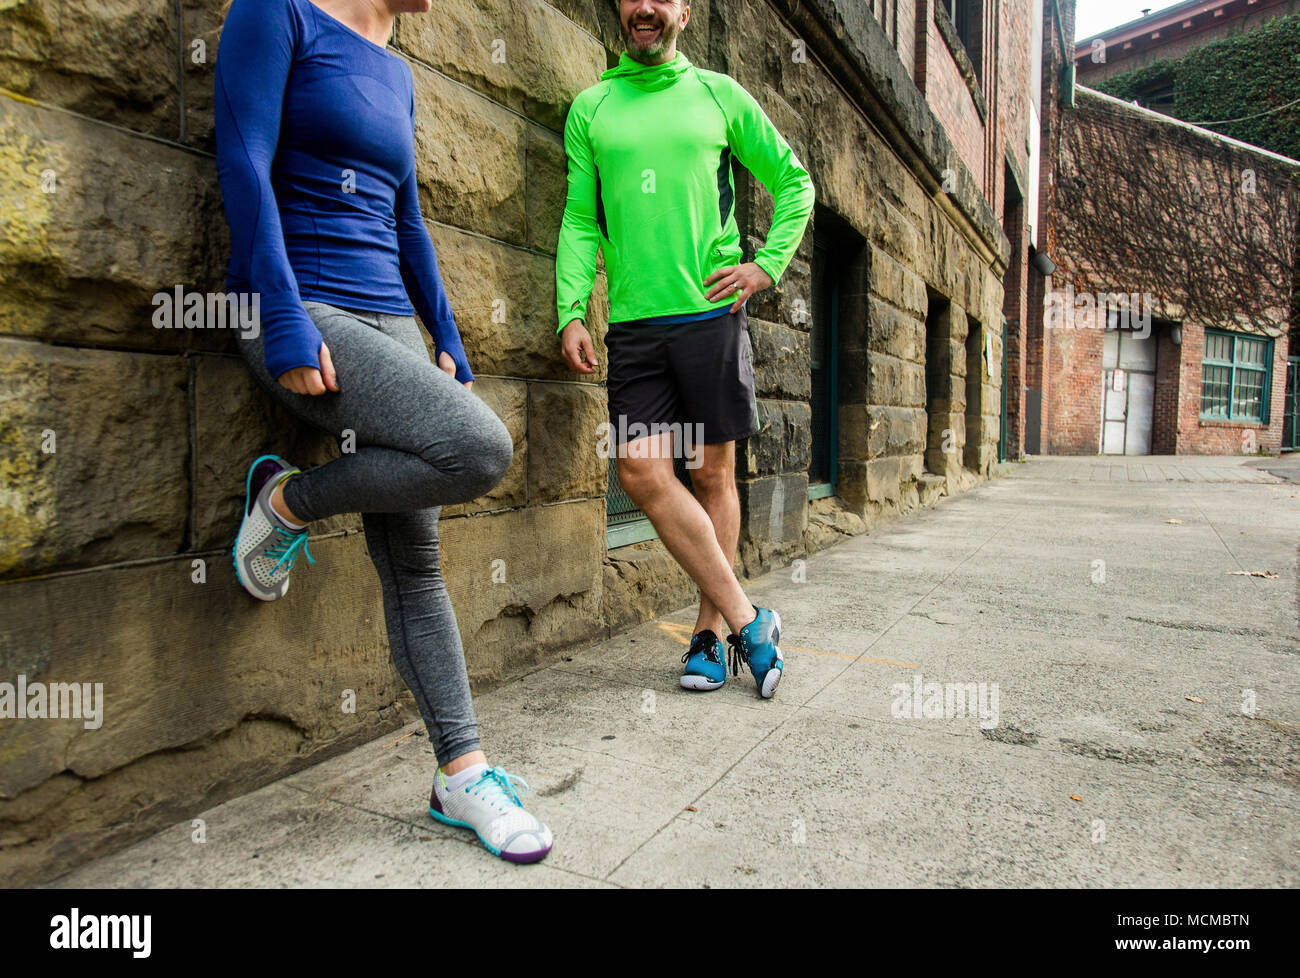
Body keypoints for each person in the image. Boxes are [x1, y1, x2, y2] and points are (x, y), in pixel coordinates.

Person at [214, 0, 553, 864]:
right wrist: (284, 319)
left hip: (389, 319)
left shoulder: (395, 66)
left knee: (416, 558)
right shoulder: (277, 12)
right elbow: (245, 162)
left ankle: (460, 773)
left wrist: (443, 330)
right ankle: (291, 501)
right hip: (298, 305)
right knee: (480, 450)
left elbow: (407, 218)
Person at [556, 0, 814, 697]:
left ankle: (709, 635)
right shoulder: (593, 108)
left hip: (710, 317)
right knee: (640, 473)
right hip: (636, 326)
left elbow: (795, 182)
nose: (646, 8)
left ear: (684, 11)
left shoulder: (718, 96)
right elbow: (582, 218)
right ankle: (750, 619)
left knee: (711, 477)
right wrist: (570, 310)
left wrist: (767, 266)